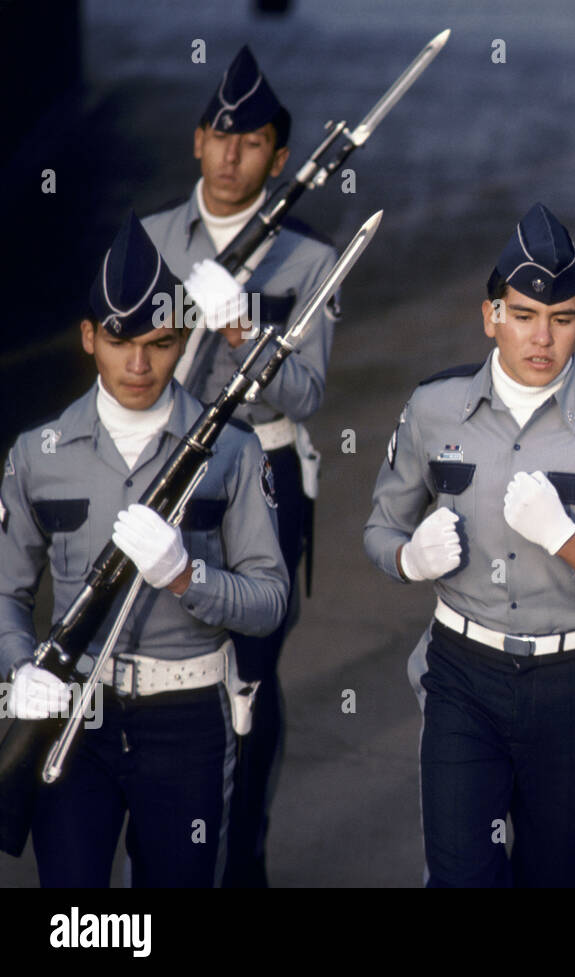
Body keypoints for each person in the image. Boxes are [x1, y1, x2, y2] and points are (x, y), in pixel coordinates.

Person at [364, 203, 575, 887]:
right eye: (522, 315)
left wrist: (571, 543)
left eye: (562, 319)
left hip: (574, 684)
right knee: (460, 877)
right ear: (491, 316)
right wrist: (406, 558)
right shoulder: (433, 407)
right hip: (461, 673)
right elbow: (378, 529)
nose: (541, 337)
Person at [0, 213, 289, 887]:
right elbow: (6, 590)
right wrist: (18, 670)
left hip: (187, 722)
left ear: (182, 339)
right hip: (76, 715)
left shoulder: (234, 452)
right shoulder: (36, 456)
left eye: (160, 344)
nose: (138, 364)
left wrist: (187, 575)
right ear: (88, 337)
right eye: (119, 341)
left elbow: (269, 601)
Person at [141, 44, 338, 887]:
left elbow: (306, 392)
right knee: (151, 668)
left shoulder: (308, 260)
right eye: (219, 136)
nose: (231, 155)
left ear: (279, 158)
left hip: (263, 474)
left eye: (252, 141)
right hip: (157, 475)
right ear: (196, 141)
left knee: (248, 676)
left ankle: (241, 861)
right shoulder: (148, 242)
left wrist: (242, 333)